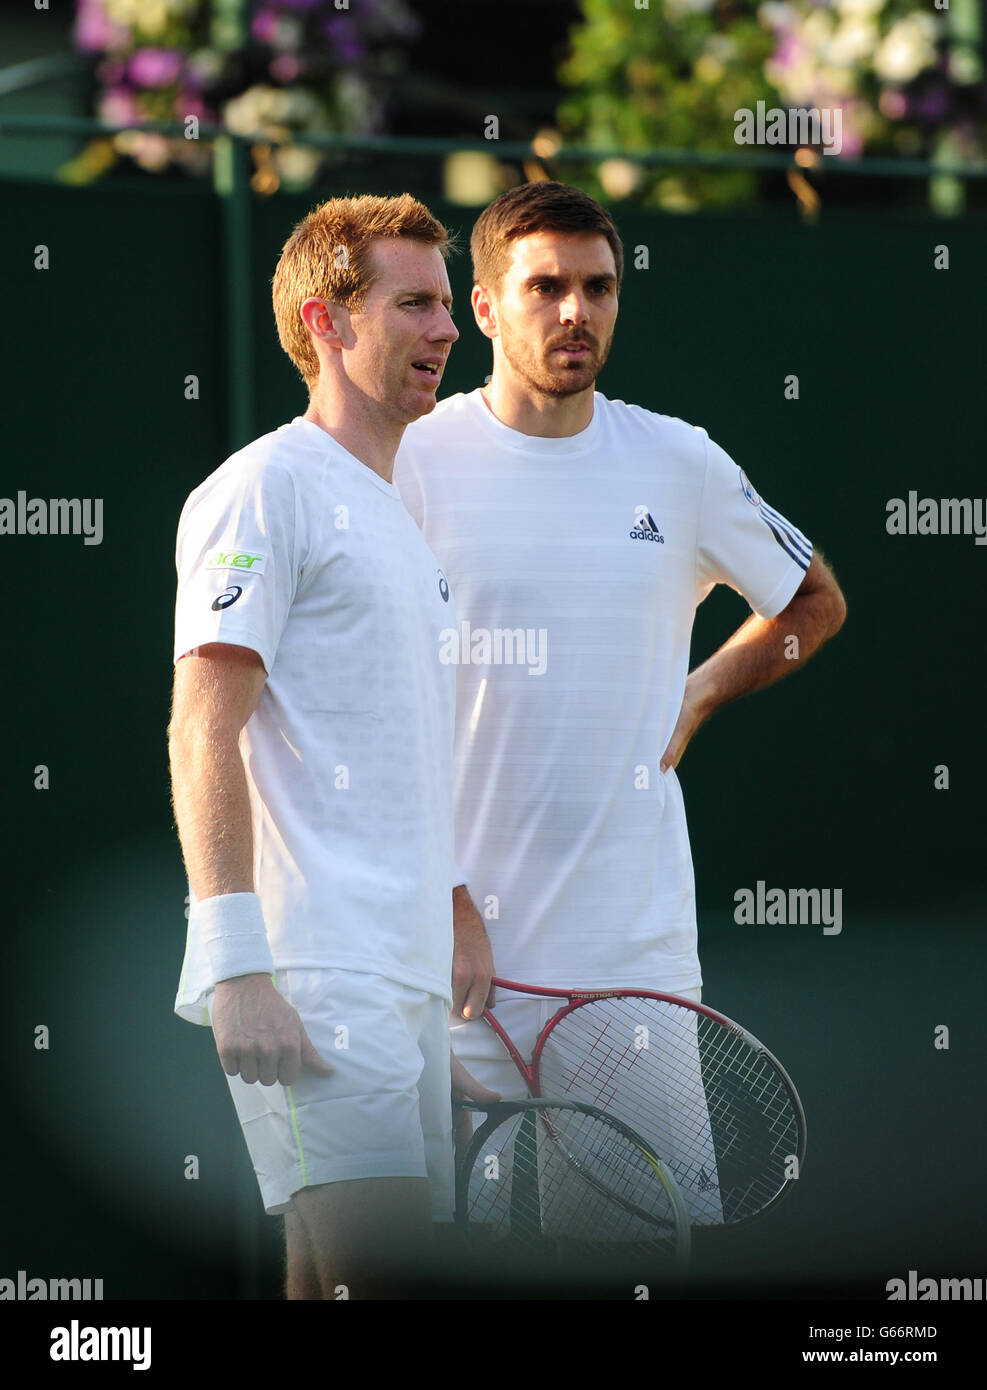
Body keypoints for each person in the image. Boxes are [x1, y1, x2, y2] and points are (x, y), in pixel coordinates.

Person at [394, 181, 847, 1219]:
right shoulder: (407, 461)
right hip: (444, 968)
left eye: (598, 287)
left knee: (631, 1267)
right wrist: (438, 898)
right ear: (485, 307)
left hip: (632, 973)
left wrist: (700, 690)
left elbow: (811, 602)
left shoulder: (678, 461)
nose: (576, 311)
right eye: (545, 287)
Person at [168, 192, 494, 1300]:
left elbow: (391, 756)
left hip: (397, 983)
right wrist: (236, 969)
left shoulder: (399, 521)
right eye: (413, 304)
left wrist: (437, 946)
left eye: (446, 304)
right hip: (316, 976)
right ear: (326, 321)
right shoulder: (264, 486)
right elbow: (202, 726)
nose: (445, 329)